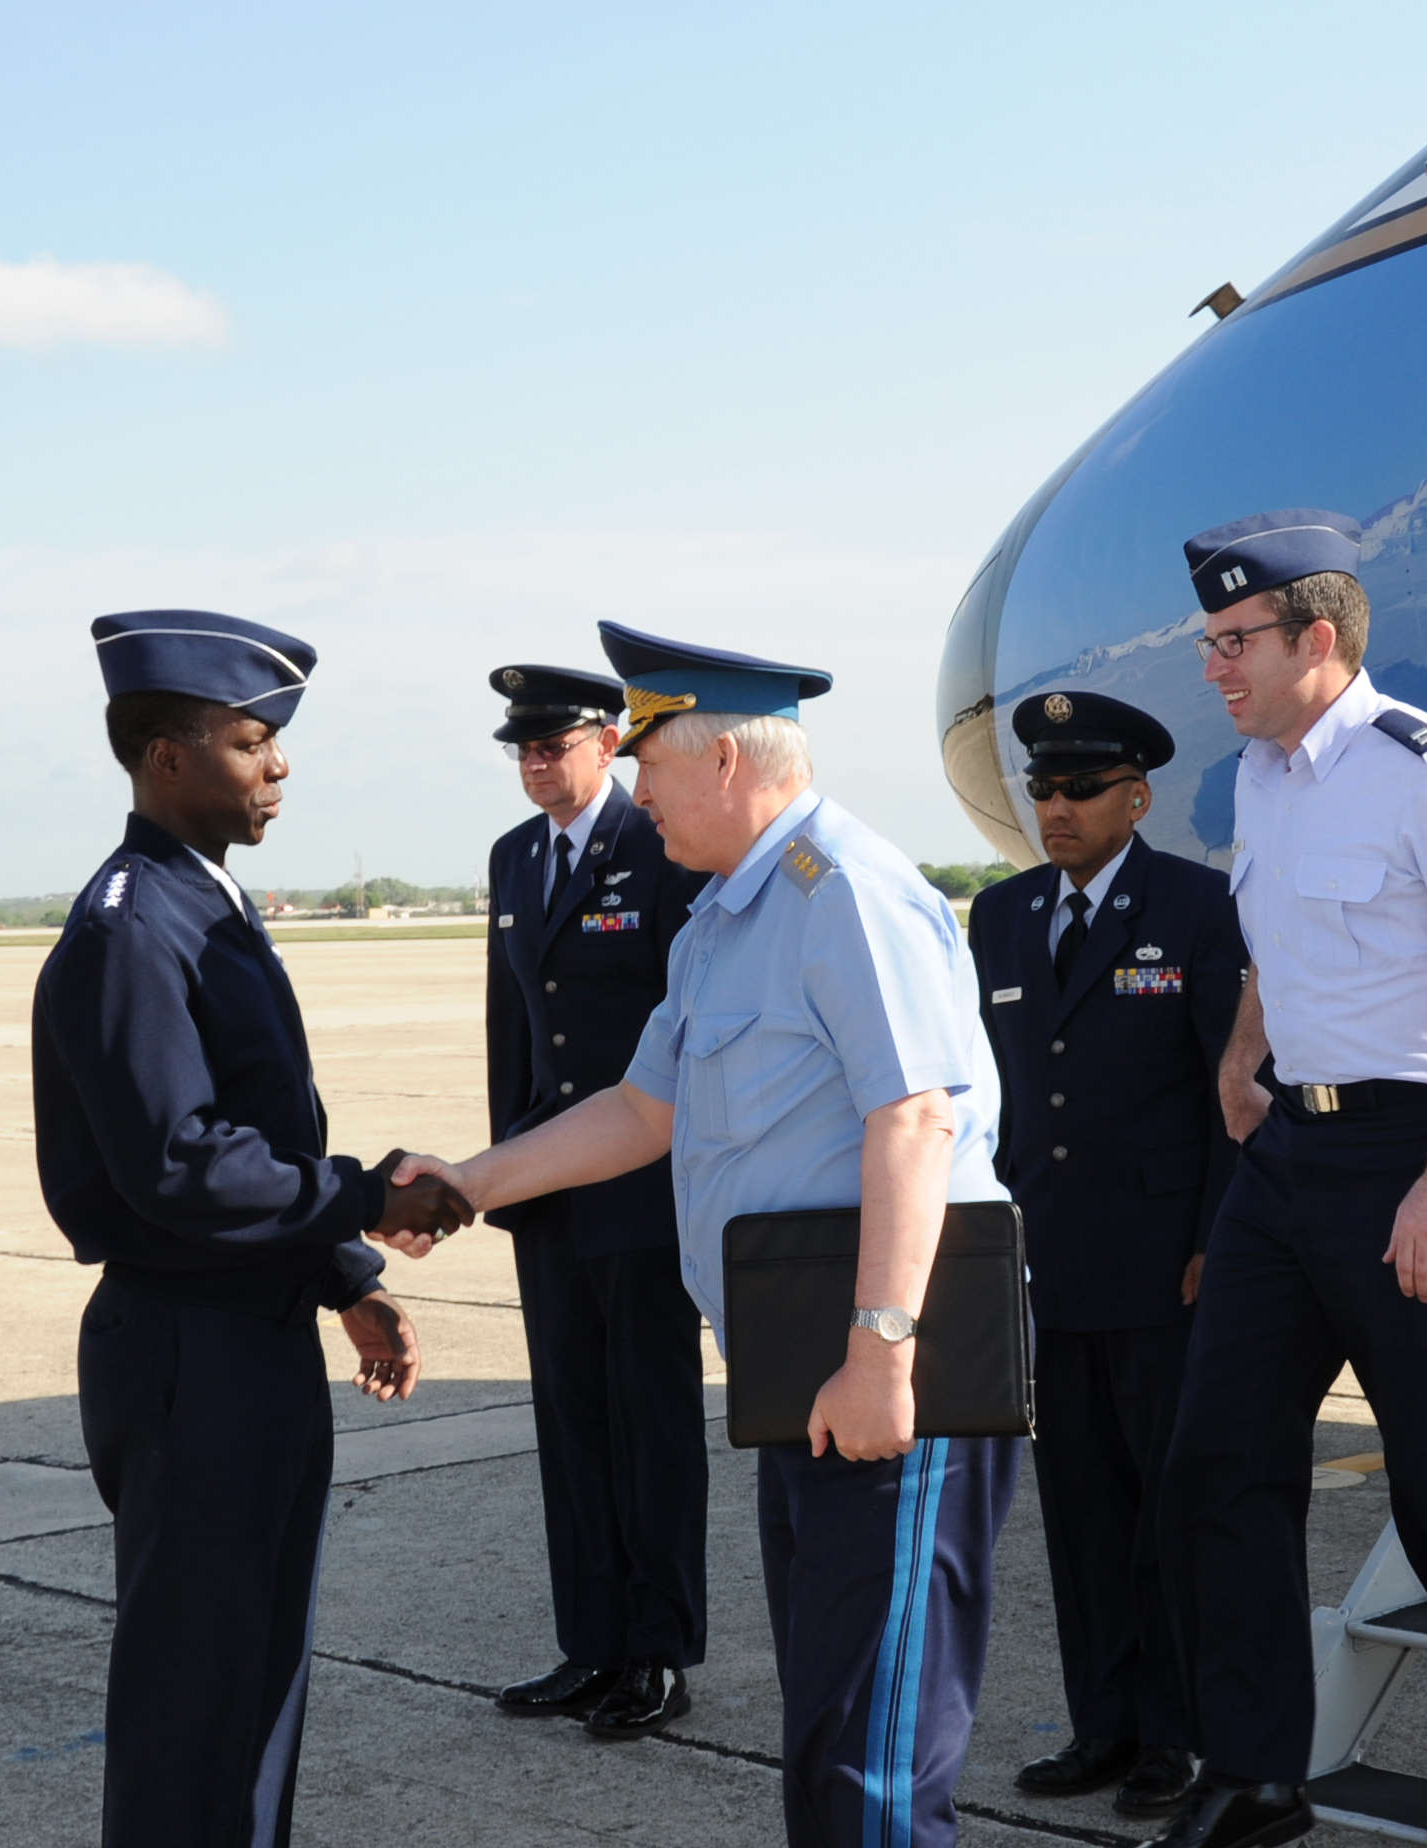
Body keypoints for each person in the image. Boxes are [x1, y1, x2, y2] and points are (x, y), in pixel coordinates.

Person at [387, 621, 1017, 1848]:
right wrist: (468, 1180)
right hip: (806, 1356)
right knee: (829, 1716)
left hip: (892, 1355)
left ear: (724, 762)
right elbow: (639, 1109)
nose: (638, 793)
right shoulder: (729, 916)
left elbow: (916, 1117)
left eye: (649, 764)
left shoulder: (845, 895)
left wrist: (883, 1348)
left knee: (875, 1742)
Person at [1152, 514, 1427, 1848]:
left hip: (1418, 1150)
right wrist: (1244, 1051)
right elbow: (1276, 937)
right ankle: (1257, 1771)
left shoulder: (1424, 769)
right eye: (1211, 644)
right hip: (1290, 1153)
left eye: (1235, 643)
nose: (1214, 667)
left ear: (1319, 640)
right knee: (1215, 1459)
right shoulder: (1263, 776)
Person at [31, 608, 475, 1848]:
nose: (279, 766)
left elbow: (256, 1131)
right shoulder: (131, 926)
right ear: (166, 756)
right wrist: (368, 1202)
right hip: (190, 1354)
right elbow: (181, 1163)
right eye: (250, 741)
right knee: (194, 1699)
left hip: (253, 1339)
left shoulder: (201, 903)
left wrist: (345, 1279)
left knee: (258, 1685)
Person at [967, 691, 1243, 1822]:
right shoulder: (1002, 916)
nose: (1056, 808)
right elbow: (990, 1098)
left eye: (1081, 788)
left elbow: (1236, 1094)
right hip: (1047, 1259)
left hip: (1162, 1261)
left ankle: (1179, 1734)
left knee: (1167, 1507)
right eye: (1041, 787)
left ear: (1137, 796)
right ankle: (1105, 1724)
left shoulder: (1197, 908)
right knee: (1080, 1506)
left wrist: (1212, 1246)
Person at [480, 664, 711, 1738]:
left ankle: (657, 1654)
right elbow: (514, 1036)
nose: (536, 762)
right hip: (552, 1192)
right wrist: (504, 1174)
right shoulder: (514, 858)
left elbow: (693, 1028)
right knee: (570, 1420)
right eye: (521, 748)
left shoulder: (658, 846)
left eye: (554, 744)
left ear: (608, 744)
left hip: (643, 1182)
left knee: (650, 1422)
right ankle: (591, 1645)